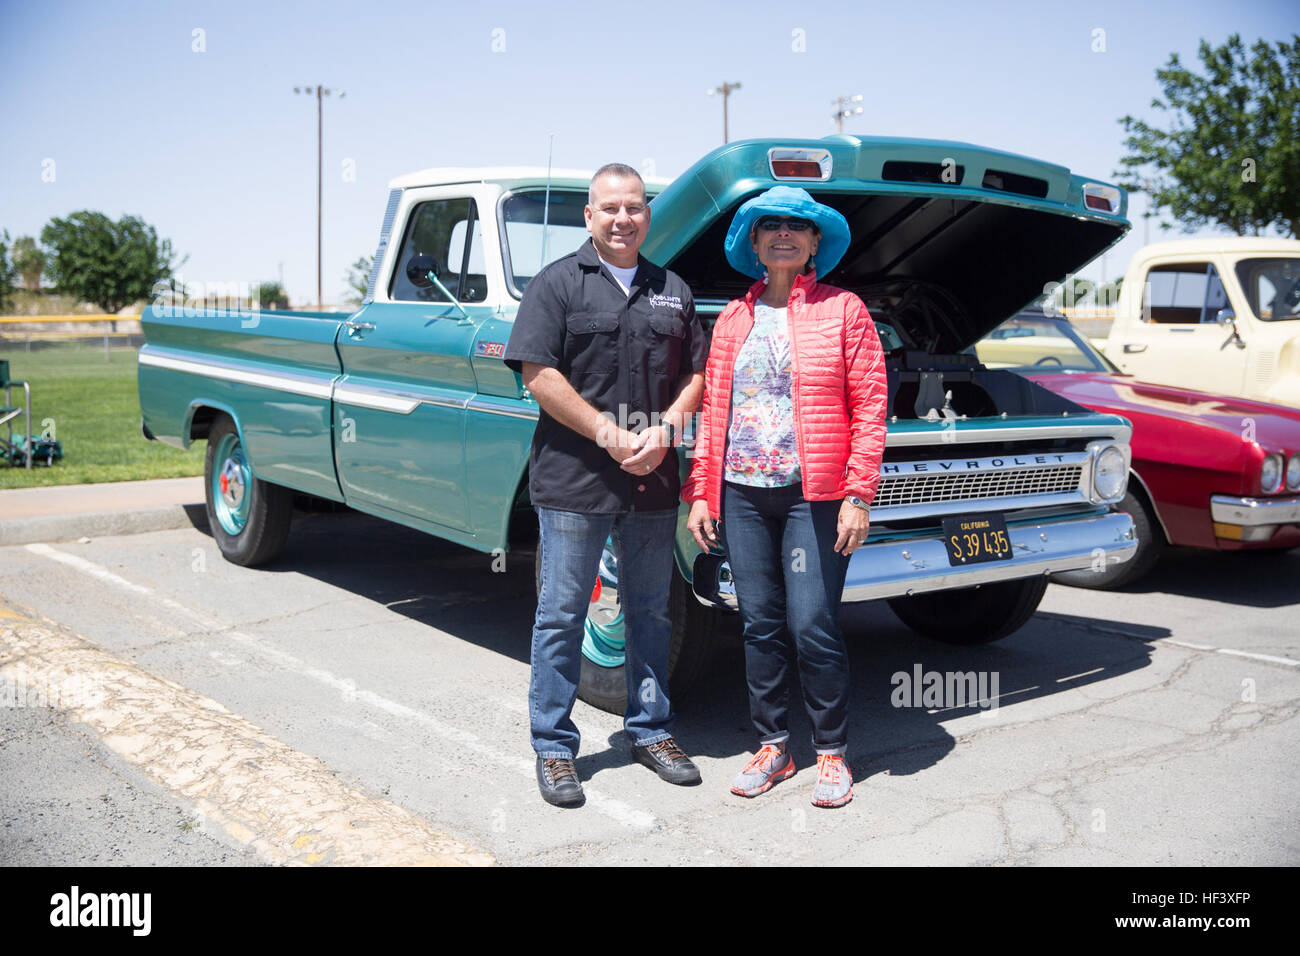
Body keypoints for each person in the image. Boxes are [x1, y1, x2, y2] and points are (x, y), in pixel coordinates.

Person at [504, 163, 708, 808]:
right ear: (588, 216)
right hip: (575, 481)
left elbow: (695, 374)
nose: (623, 219)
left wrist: (668, 431)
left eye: (635, 207)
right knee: (562, 614)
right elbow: (537, 372)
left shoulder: (672, 288)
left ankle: (649, 731)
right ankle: (555, 747)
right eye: (609, 208)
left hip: (651, 481)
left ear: (648, 214)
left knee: (650, 613)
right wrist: (607, 433)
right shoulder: (557, 284)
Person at [683, 185, 887, 808]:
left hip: (814, 495)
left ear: (815, 242)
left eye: (798, 227)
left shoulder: (844, 309)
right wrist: (700, 492)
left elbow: (871, 404)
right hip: (742, 491)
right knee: (759, 623)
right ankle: (774, 746)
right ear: (754, 242)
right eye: (770, 225)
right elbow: (713, 411)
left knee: (813, 624)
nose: (784, 235)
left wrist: (859, 494)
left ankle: (831, 752)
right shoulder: (732, 318)